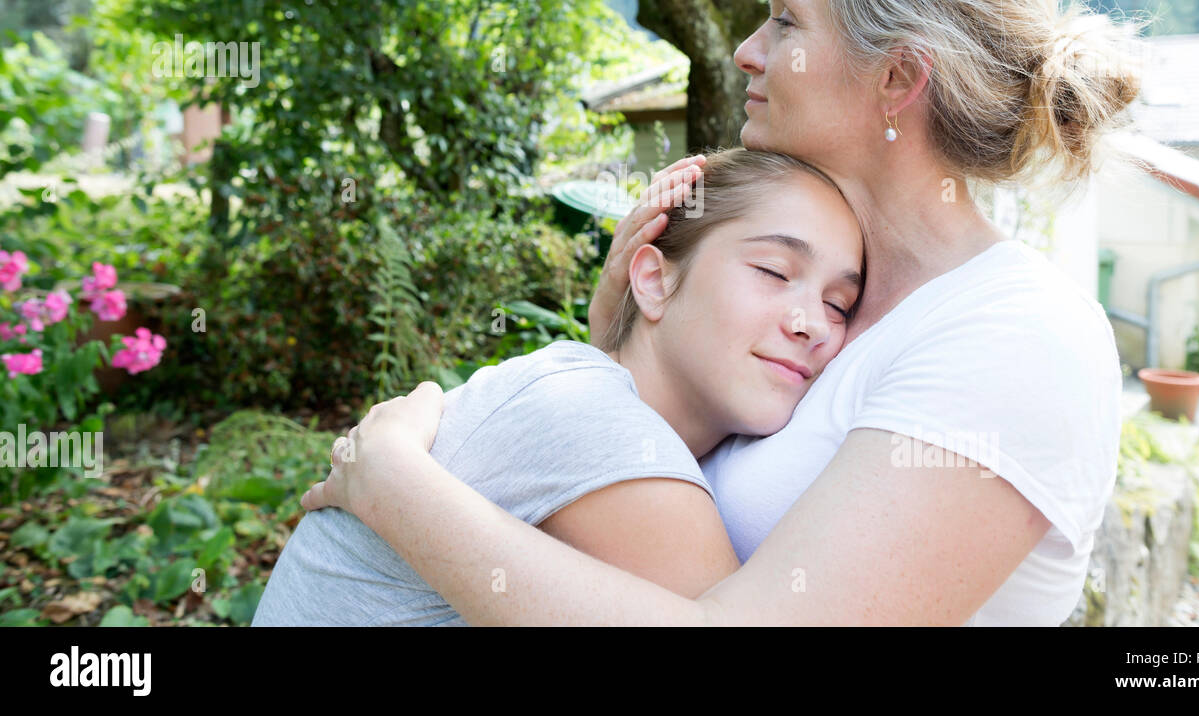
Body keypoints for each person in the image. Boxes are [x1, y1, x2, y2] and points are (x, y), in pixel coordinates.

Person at [301, 0, 1144, 626]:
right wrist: (623, 354)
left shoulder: (1018, 339)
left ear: (895, 78)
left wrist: (394, 484)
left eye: (785, 21)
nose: (747, 51)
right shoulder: (814, 319)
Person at [253, 149, 865, 625]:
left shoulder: (583, 391)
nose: (810, 324)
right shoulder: (596, 425)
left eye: (839, 304)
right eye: (773, 271)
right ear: (651, 280)